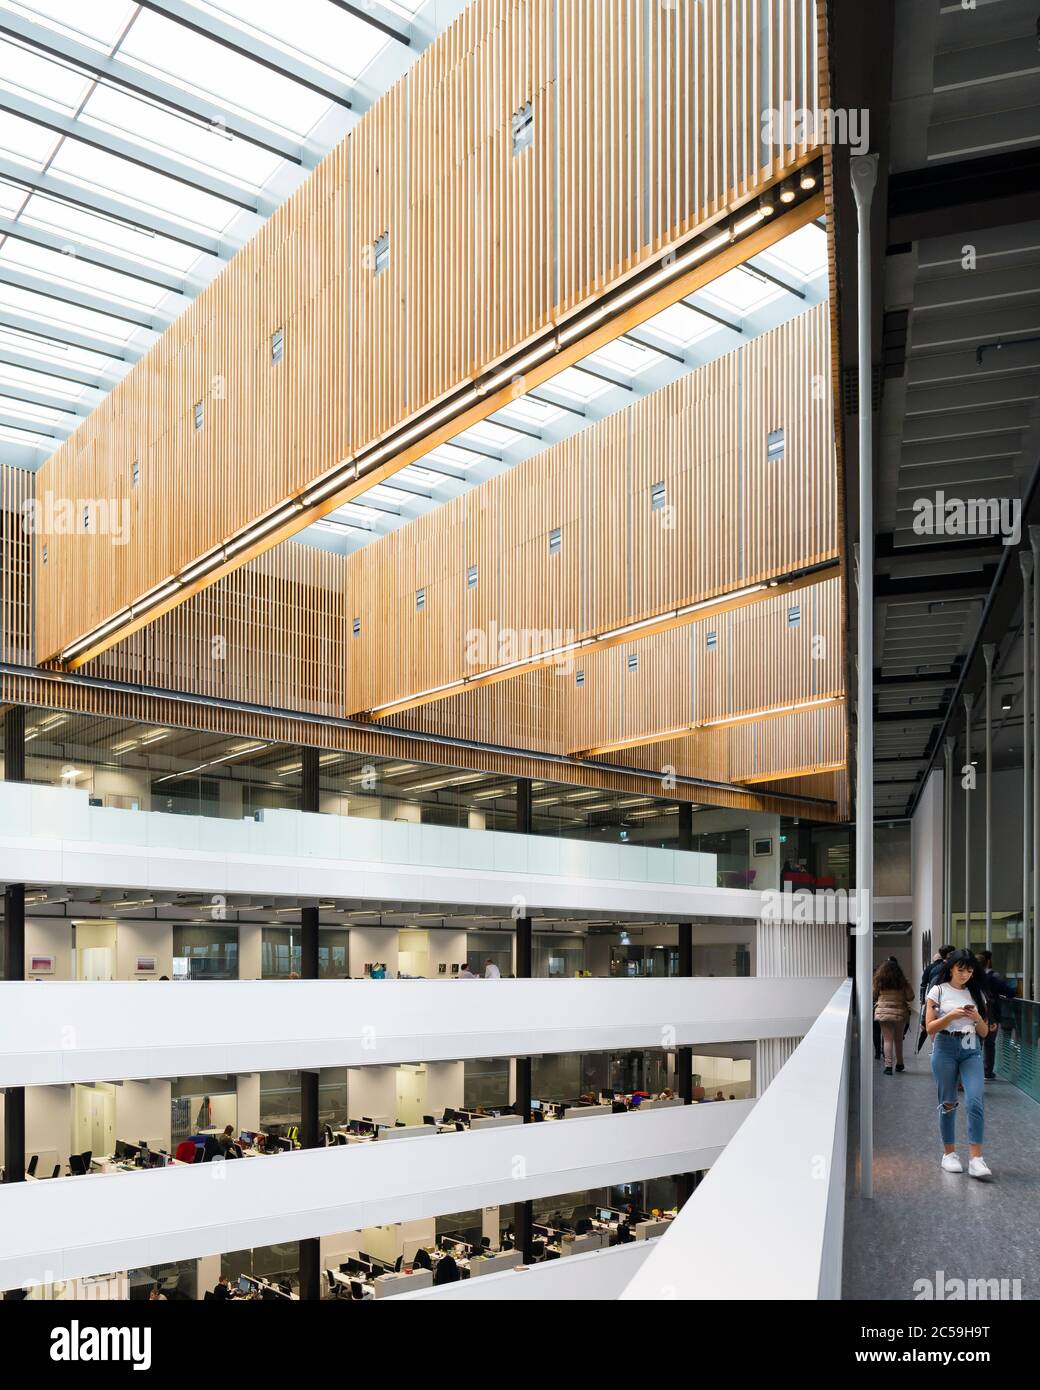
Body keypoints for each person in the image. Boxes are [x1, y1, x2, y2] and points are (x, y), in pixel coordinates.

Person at [925, 948, 991, 1179]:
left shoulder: (977, 993)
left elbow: (983, 1032)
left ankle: (976, 1158)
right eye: (960, 969)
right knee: (948, 1102)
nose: (965, 974)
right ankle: (949, 1154)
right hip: (945, 1046)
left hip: (971, 1046)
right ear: (951, 968)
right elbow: (930, 1027)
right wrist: (952, 1016)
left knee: (975, 1100)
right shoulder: (938, 991)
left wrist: (977, 1018)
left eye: (969, 970)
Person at [977, 950, 1016, 1080]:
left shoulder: (970, 979)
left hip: (974, 1015)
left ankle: (972, 1070)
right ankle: (987, 1071)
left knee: (975, 1043)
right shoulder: (993, 977)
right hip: (991, 1014)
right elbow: (1010, 991)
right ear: (988, 962)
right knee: (989, 1043)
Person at [872, 958, 914, 1075]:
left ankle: (888, 1066)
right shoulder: (903, 982)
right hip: (899, 1013)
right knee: (898, 1040)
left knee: (887, 1040)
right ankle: (900, 1064)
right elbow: (910, 997)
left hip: (883, 1013)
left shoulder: (879, 981)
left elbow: (874, 996)